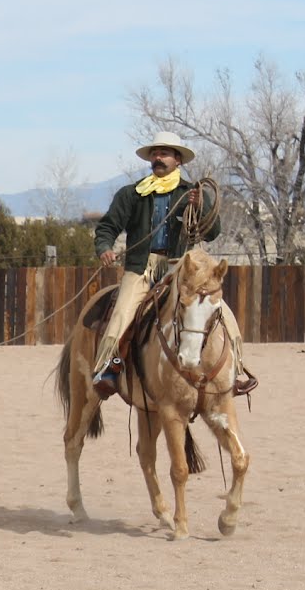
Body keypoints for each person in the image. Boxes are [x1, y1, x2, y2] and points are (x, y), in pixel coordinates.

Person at [91, 130, 254, 399]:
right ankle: (110, 367)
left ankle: (234, 372)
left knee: (222, 311)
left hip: (182, 267)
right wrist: (105, 248)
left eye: (164, 153)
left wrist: (201, 207)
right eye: (155, 153)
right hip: (142, 266)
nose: (158, 157)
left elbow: (212, 233)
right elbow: (107, 227)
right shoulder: (132, 194)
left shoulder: (192, 193)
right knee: (123, 311)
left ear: (178, 160)